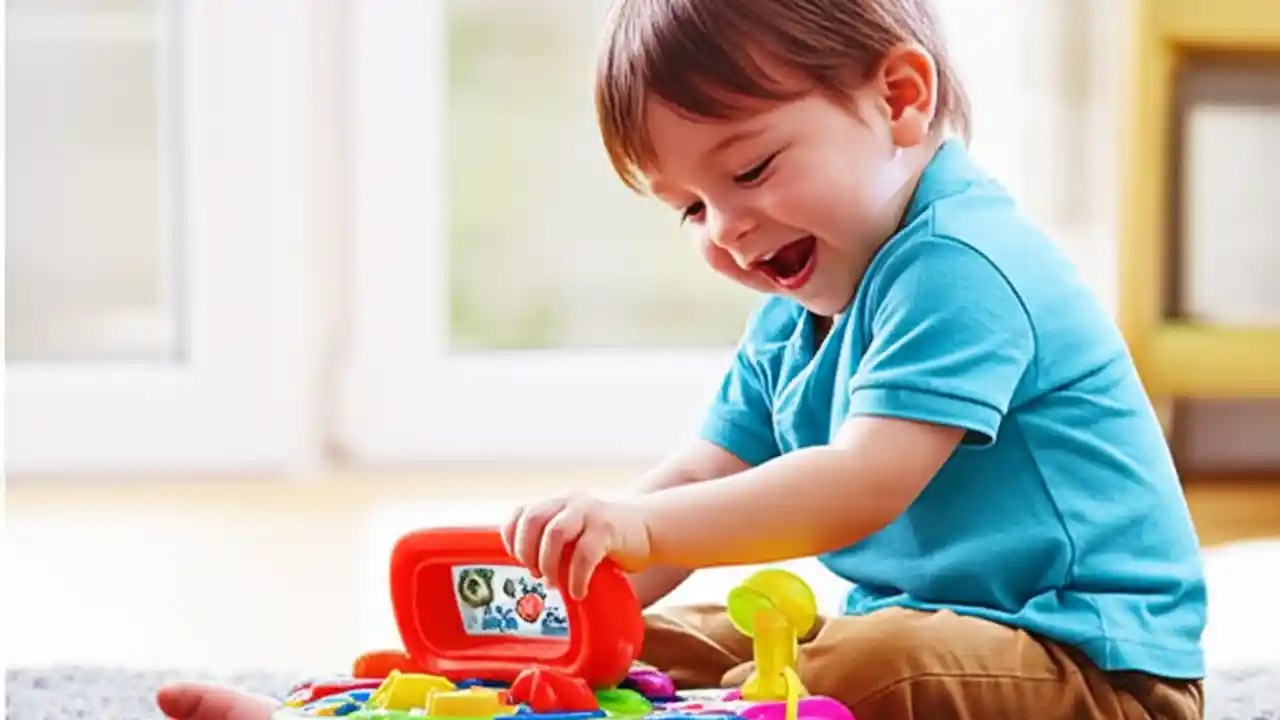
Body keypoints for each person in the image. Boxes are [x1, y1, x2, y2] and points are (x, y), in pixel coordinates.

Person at [157, 0, 1209, 718]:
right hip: (943, 643)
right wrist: (586, 591)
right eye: (691, 209)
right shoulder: (802, 300)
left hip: (1094, 673)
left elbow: (858, 486)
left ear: (898, 98)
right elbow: (708, 475)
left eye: (749, 168)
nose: (727, 230)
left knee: (845, 666)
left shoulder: (965, 264)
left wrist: (642, 527)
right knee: (646, 644)